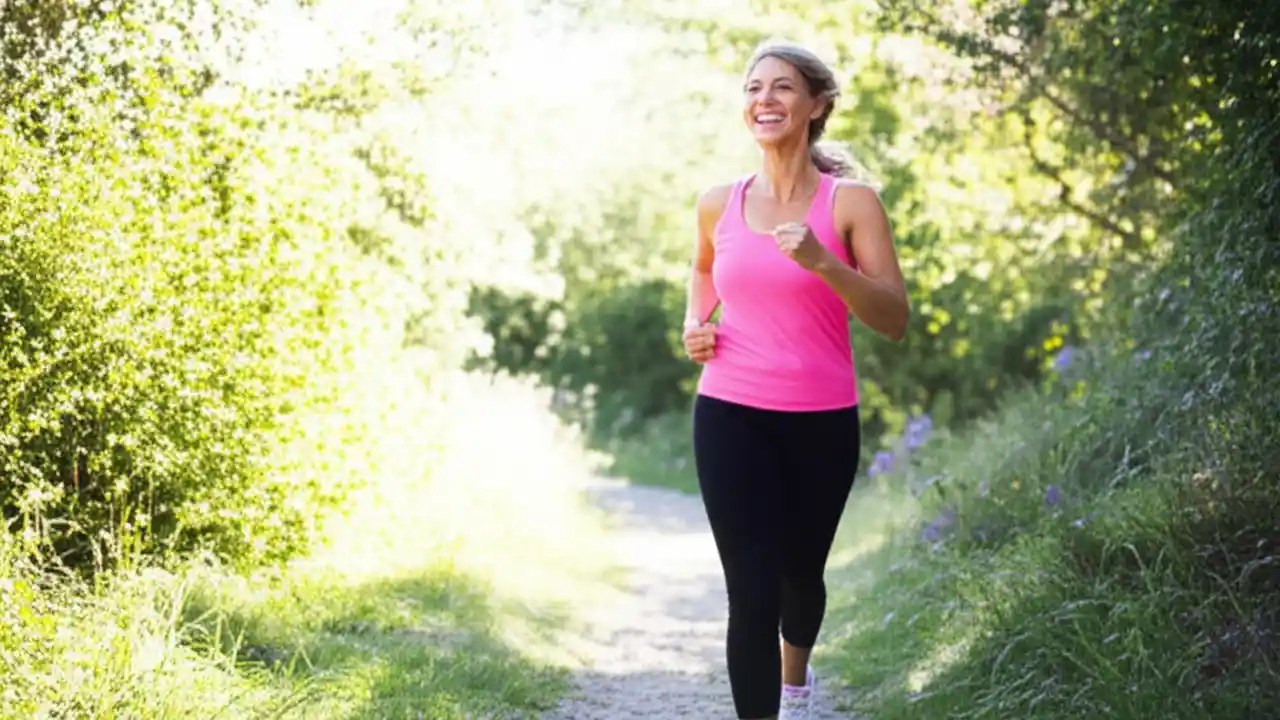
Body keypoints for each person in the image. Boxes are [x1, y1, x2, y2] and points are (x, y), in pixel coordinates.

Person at [681, 40, 909, 720]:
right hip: (729, 412)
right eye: (754, 89)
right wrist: (697, 322)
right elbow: (700, 271)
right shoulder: (718, 202)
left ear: (816, 106)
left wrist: (825, 264)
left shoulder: (852, 205)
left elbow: (892, 318)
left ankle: (796, 679)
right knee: (750, 593)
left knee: (798, 579)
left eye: (782, 88)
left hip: (821, 419)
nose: (765, 100)